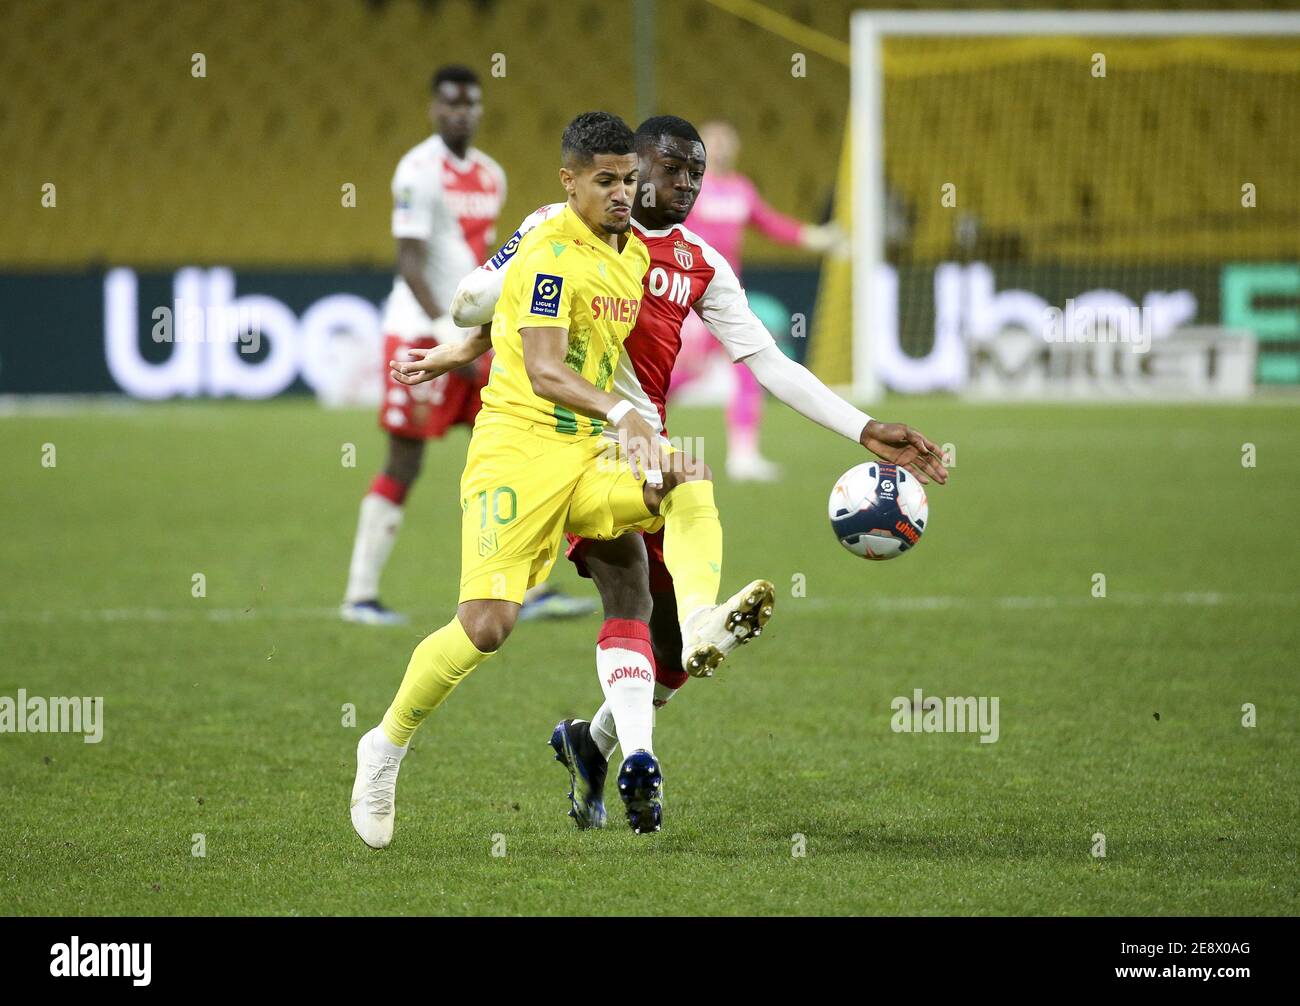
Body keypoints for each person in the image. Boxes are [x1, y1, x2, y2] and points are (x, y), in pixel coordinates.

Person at [408, 116, 949, 830]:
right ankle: (643, 753)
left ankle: (591, 744)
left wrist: (865, 427)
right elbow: (508, 298)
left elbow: (771, 365)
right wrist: (463, 340)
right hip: (572, 449)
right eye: (672, 168)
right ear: (633, 167)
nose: (687, 183)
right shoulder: (562, 224)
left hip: (650, 456)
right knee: (625, 587)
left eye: (696, 172)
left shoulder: (700, 264)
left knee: (671, 658)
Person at [349, 113, 775, 846]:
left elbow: (517, 324)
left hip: (588, 459)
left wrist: (462, 347)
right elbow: (545, 368)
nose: (621, 194)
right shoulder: (547, 251)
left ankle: (700, 620)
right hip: (516, 455)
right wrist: (623, 413)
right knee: (486, 627)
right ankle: (384, 746)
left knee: (684, 477)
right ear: (569, 182)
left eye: (628, 180)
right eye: (606, 180)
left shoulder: (631, 258)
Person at [339, 64, 592, 626]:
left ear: (480, 109)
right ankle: (360, 595)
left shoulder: (491, 175)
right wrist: (441, 335)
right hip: (419, 333)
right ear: (434, 109)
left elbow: (480, 263)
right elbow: (409, 261)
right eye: (451, 103)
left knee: (523, 443)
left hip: (473, 339)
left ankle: (531, 587)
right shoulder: (417, 170)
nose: (462, 112)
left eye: (471, 103)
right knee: (404, 459)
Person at [682, 119, 844, 482]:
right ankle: (625, 440)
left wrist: (812, 237)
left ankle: (743, 456)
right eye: (714, 142)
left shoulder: (741, 190)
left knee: (747, 369)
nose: (721, 148)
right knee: (671, 376)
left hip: (724, 300)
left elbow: (770, 224)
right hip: (686, 299)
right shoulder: (687, 189)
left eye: (727, 141)